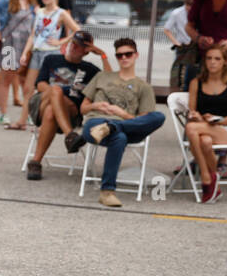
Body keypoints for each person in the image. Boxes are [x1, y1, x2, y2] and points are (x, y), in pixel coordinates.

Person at [68, 37, 165, 207]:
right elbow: (83, 109)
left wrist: (123, 115)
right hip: (96, 124)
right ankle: (107, 192)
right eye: (120, 55)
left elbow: (143, 120)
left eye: (128, 54)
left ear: (136, 55)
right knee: (118, 139)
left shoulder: (144, 87)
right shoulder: (102, 76)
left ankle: (112, 127)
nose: (124, 58)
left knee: (159, 116)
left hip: (125, 126)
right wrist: (96, 105)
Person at [25, 30, 103, 181]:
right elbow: (40, 84)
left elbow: (109, 81)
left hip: (70, 113)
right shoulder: (51, 59)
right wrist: (57, 96)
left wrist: (103, 55)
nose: (73, 47)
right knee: (55, 91)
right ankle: (70, 135)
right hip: (41, 103)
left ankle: (35, 162)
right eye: (72, 43)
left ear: (86, 52)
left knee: (51, 113)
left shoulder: (91, 70)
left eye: (79, 46)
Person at [177, 45, 227, 203]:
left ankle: (206, 177)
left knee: (191, 128)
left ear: (225, 62)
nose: (212, 62)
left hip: (224, 130)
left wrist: (216, 119)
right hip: (202, 129)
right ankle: (214, 183)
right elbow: (192, 112)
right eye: (209, 58)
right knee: (204, 140)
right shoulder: (196, 83)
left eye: (217, 59)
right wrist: (197, 116)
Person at [15, 0, 79, 130]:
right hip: (37, 52)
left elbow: (77, 30)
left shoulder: (61, 13)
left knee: (48, 88)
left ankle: (47, 118)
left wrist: (61, 41)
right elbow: (33, 35)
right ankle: (23, 120)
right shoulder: (39, 12)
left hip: (51, 53)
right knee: (28, 87)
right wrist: (25, 53)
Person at [0, 0, 34, 127]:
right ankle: (4, 114)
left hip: (27, 45)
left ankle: (28, 113)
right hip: (10, 44)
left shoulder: (32, 2)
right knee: (7, 78)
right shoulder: (6, 1)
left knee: (26, 81)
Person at [161, 0, 197, 88]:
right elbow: (166, 29)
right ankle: (176, 89)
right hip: (182, 46)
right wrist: (176, 43)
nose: (189, 9)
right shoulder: (177, 13)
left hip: (194, 46)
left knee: (192, 71)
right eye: (187, 6)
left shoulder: (200, 12)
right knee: (177, 72)